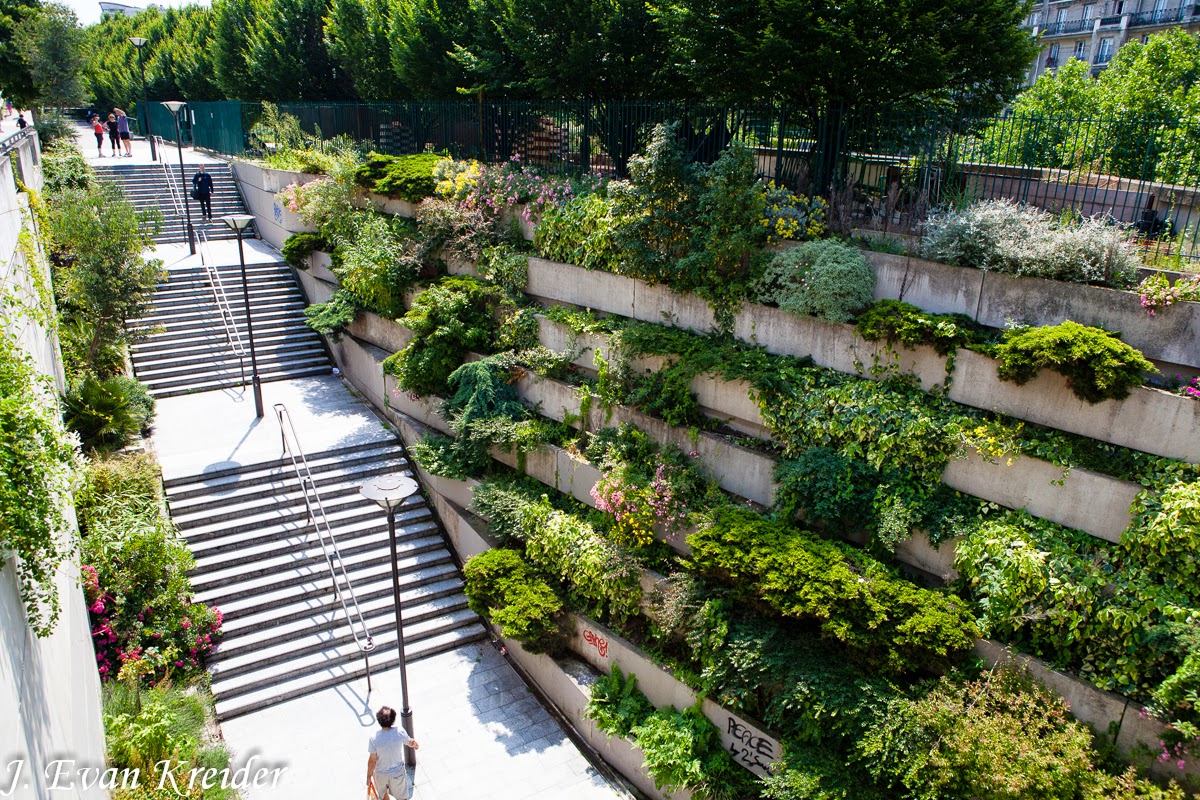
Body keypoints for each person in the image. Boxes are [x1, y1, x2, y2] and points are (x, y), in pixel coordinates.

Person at [366, 706, 419, 800]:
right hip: (397, 773)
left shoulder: (374, 738)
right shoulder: (399, 732)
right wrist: (415, 744)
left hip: (380, 774)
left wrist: (369, 776)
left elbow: (372, 761)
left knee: (383, 797)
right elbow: (410, 742)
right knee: (402, 797)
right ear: (393, 719)